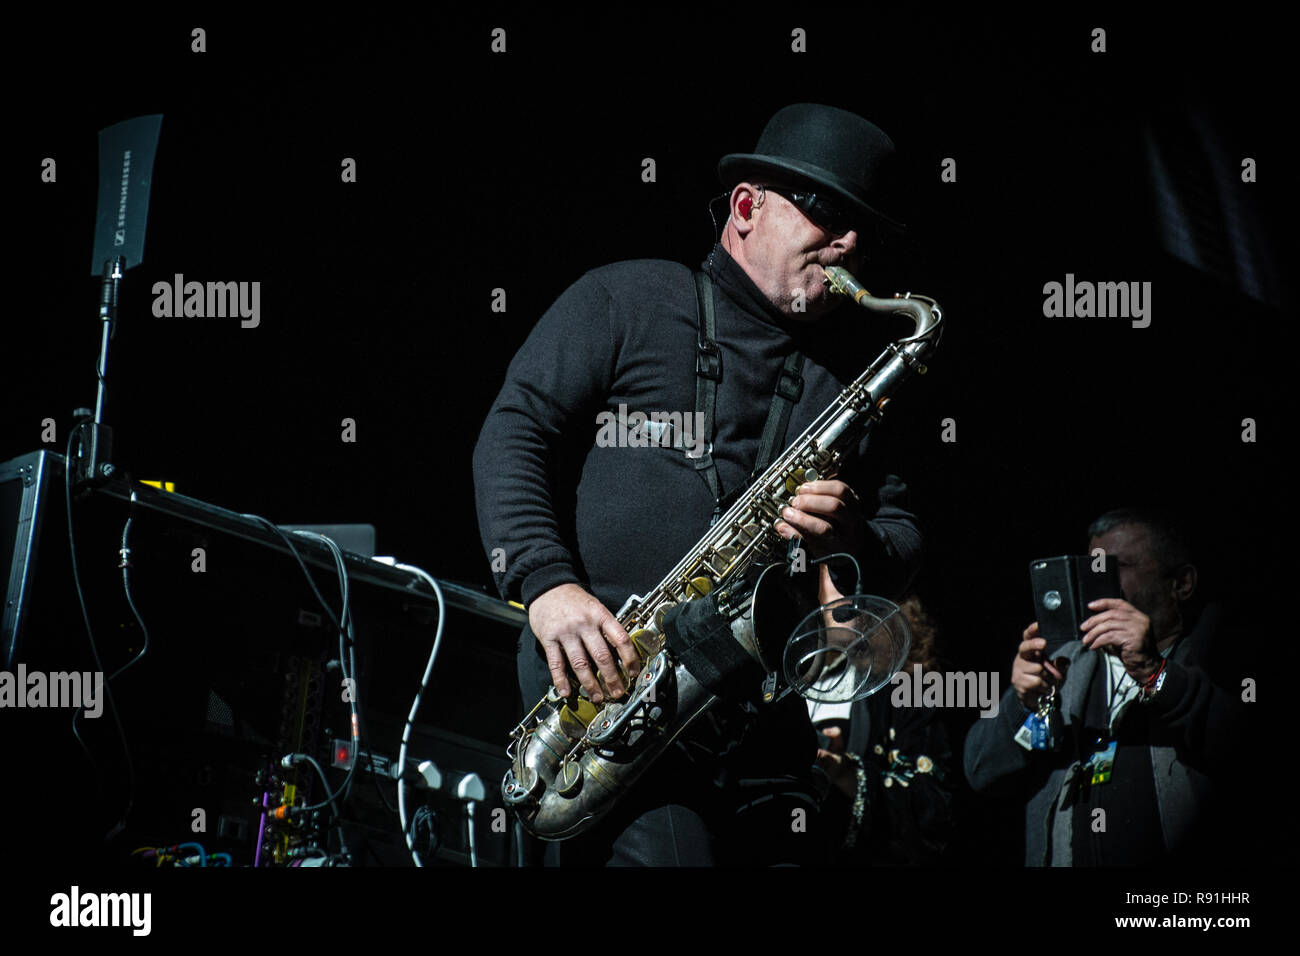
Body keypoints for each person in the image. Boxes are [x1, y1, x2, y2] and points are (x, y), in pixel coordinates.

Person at [473, 103, 926, 865]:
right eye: (826, 212)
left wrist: (853, 537)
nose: (847, 241)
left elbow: (903, 538)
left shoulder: (854, 384)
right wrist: (546, 584)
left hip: (757, 715)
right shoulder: (628, 297)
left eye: (862, 229)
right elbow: (514, 430)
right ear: (746, 207)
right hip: (611, 679)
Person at [963, 508, 1256, 866]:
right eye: (1093, 567)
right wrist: (1023, 705)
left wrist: (1154, 671)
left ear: (1181, 584)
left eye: (1119, 566)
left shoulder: (1218, 651)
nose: (1099, 581)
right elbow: (981, 772)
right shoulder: (1065, 661)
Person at [812, 594, 955, 864]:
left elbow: (934, 812)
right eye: (832, 572)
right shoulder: (778, 676)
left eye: (851, 572)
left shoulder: (911, 685)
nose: (848, 591)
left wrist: (847, 775)